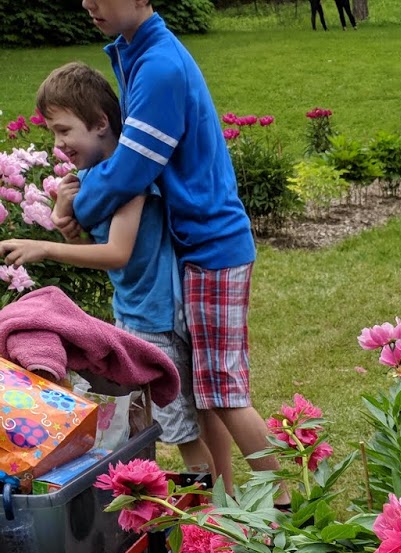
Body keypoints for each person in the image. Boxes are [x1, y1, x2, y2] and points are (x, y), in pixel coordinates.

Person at [53, 0, 283, 498]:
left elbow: (132, 173)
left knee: (223, 391)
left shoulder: (158, 65)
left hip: (211, 246)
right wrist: (75, 199)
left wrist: (74, 209)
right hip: (196, 246)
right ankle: (224, 505)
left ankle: (289, 507)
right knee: (207, 393)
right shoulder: (139, 53)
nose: (88, 2)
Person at [0, 63, 213, 477]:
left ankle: (206, 516)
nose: (58, 143)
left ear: (100, 124)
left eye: (64, 130)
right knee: (147, 426)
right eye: (52, 133)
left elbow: (116, 253)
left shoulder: (129, 181)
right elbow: (92, 251)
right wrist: (64, 218)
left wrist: (45, 248)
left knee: (182, 432)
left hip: (158, 316)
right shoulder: (91, 178)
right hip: (133, 312)